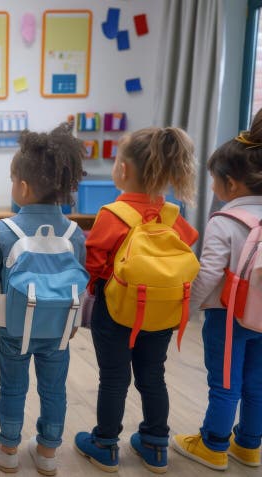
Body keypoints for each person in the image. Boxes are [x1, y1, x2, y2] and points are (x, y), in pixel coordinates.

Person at [74, 127, 199, 473]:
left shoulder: (113, 214)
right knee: (152, 375)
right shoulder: (170, 214)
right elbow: (187, 246)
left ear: (123, 171)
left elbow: (94, 263)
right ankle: (156, 445)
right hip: (163, 312)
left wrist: (94, 288)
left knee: (114, 378)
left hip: (116, 310)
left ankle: (104, 444)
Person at [0, 124, 86, 476]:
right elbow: (81, 283)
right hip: (58, 329)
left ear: (22, 187)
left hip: (14, 328)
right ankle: (48, 452)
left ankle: (8, 447)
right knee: (54, 389)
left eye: (12, 182)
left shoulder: (2, 232)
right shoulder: (75, 233)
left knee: (13, 385)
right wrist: (72, 324)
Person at [171, 110, 262, 471]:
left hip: (228, 317)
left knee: (224, 382)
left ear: (231, 184)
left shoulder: (225, 221)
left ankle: (212, 445)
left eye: (213, 181)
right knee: (256, 382)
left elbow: (208, 274)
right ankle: (249, 445)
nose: (212, 188)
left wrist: (186, 309)